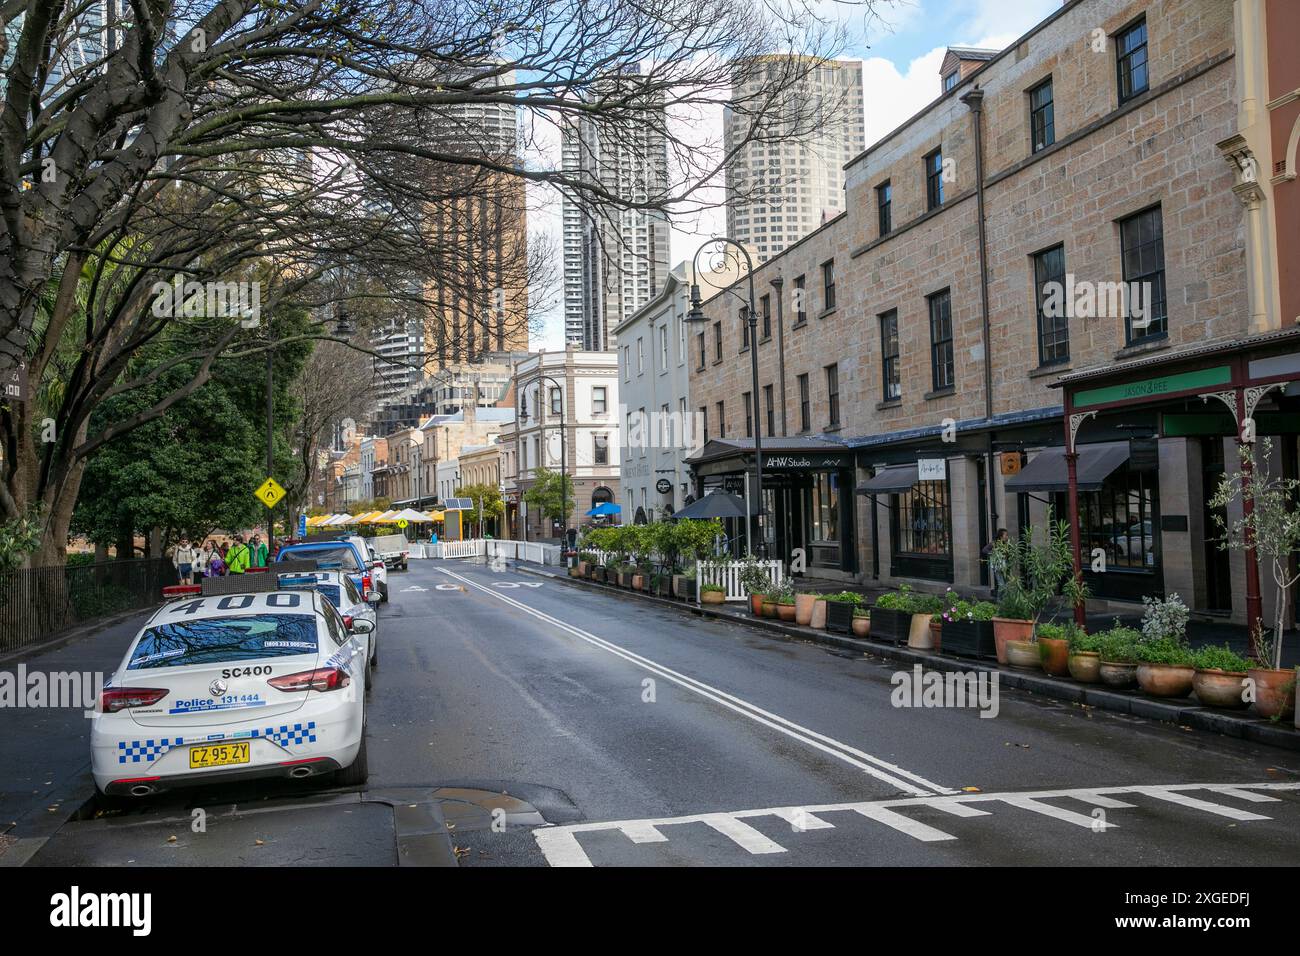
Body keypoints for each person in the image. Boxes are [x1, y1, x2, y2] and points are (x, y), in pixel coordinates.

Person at [983, 528, 1010, 598]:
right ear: (1001, 536)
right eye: (1006, 535)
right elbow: (984, 550)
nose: (1007, 537)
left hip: (1005, 567)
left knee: (1006, 585)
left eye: (1007, 535)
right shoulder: (994, 543)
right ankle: (999, 600)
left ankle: (1004, 600)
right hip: (998, 567)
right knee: (1002, 585)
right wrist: (994, 553)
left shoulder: (1007, 544)